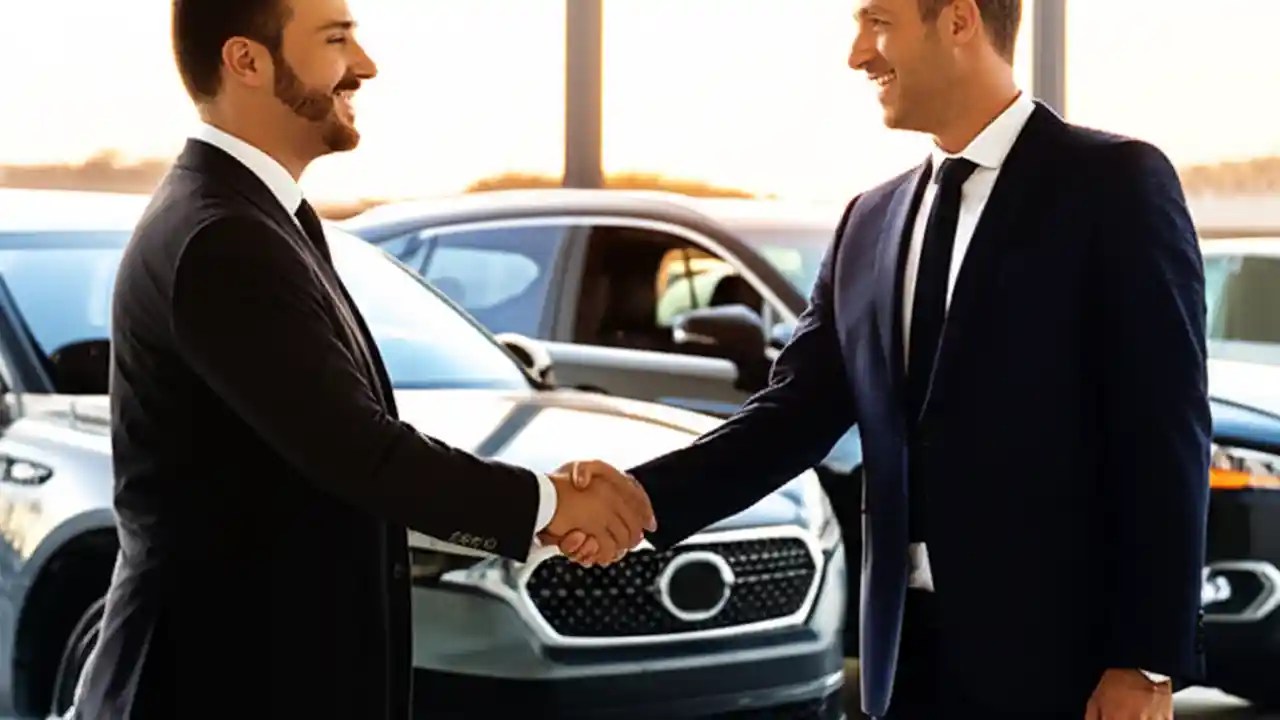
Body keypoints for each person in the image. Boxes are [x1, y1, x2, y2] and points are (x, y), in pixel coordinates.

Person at [550, 0, 1210, 717]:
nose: (858, 54)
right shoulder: (869, 219)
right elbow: (791, 416)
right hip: (902, 661)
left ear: (957, 21)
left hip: (1065, 666)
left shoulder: (1114, 184)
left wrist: (1144, 661)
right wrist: (640, 498)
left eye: (879, 22)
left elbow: (1163, 433)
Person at [70, 0, 654, 717]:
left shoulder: (255, 217)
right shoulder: (222, 237)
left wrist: (541, 513)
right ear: (246, 61)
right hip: (218, 683)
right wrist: (553, 503)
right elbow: (358, 453)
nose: (366, 65)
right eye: (337, 40)